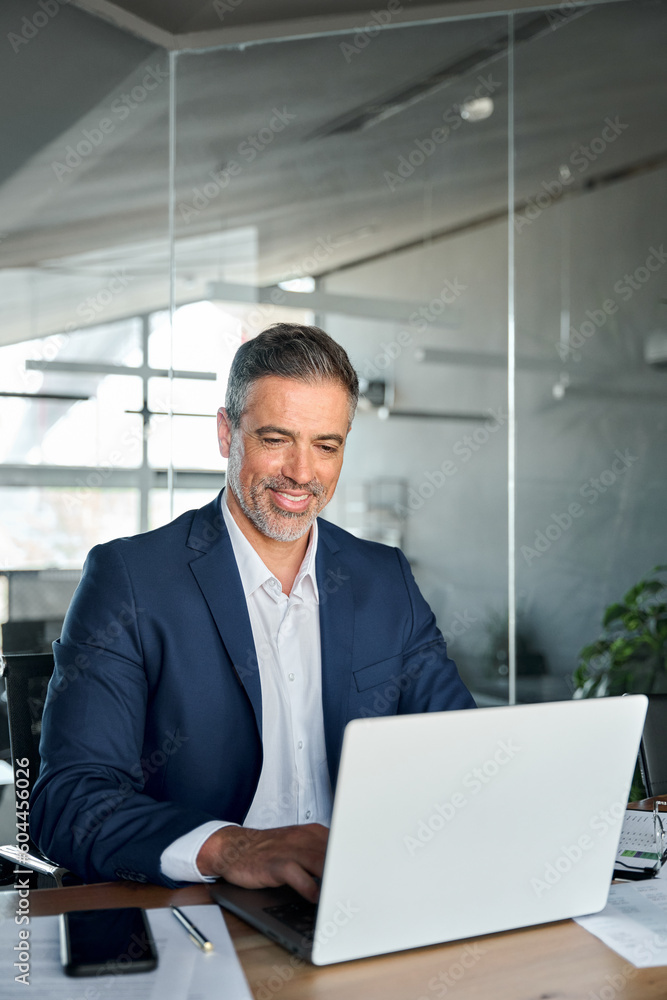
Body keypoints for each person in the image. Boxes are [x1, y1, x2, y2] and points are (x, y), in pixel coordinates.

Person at [31, 323, 475, 900]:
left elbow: (465, 752)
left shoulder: (383, 579)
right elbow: (69, 804)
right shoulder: (132, 580)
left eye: (326, 445)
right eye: (275, 439)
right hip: (207, 908)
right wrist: (235, 847)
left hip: (369, 898)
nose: (301, 472)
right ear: (226, 432)